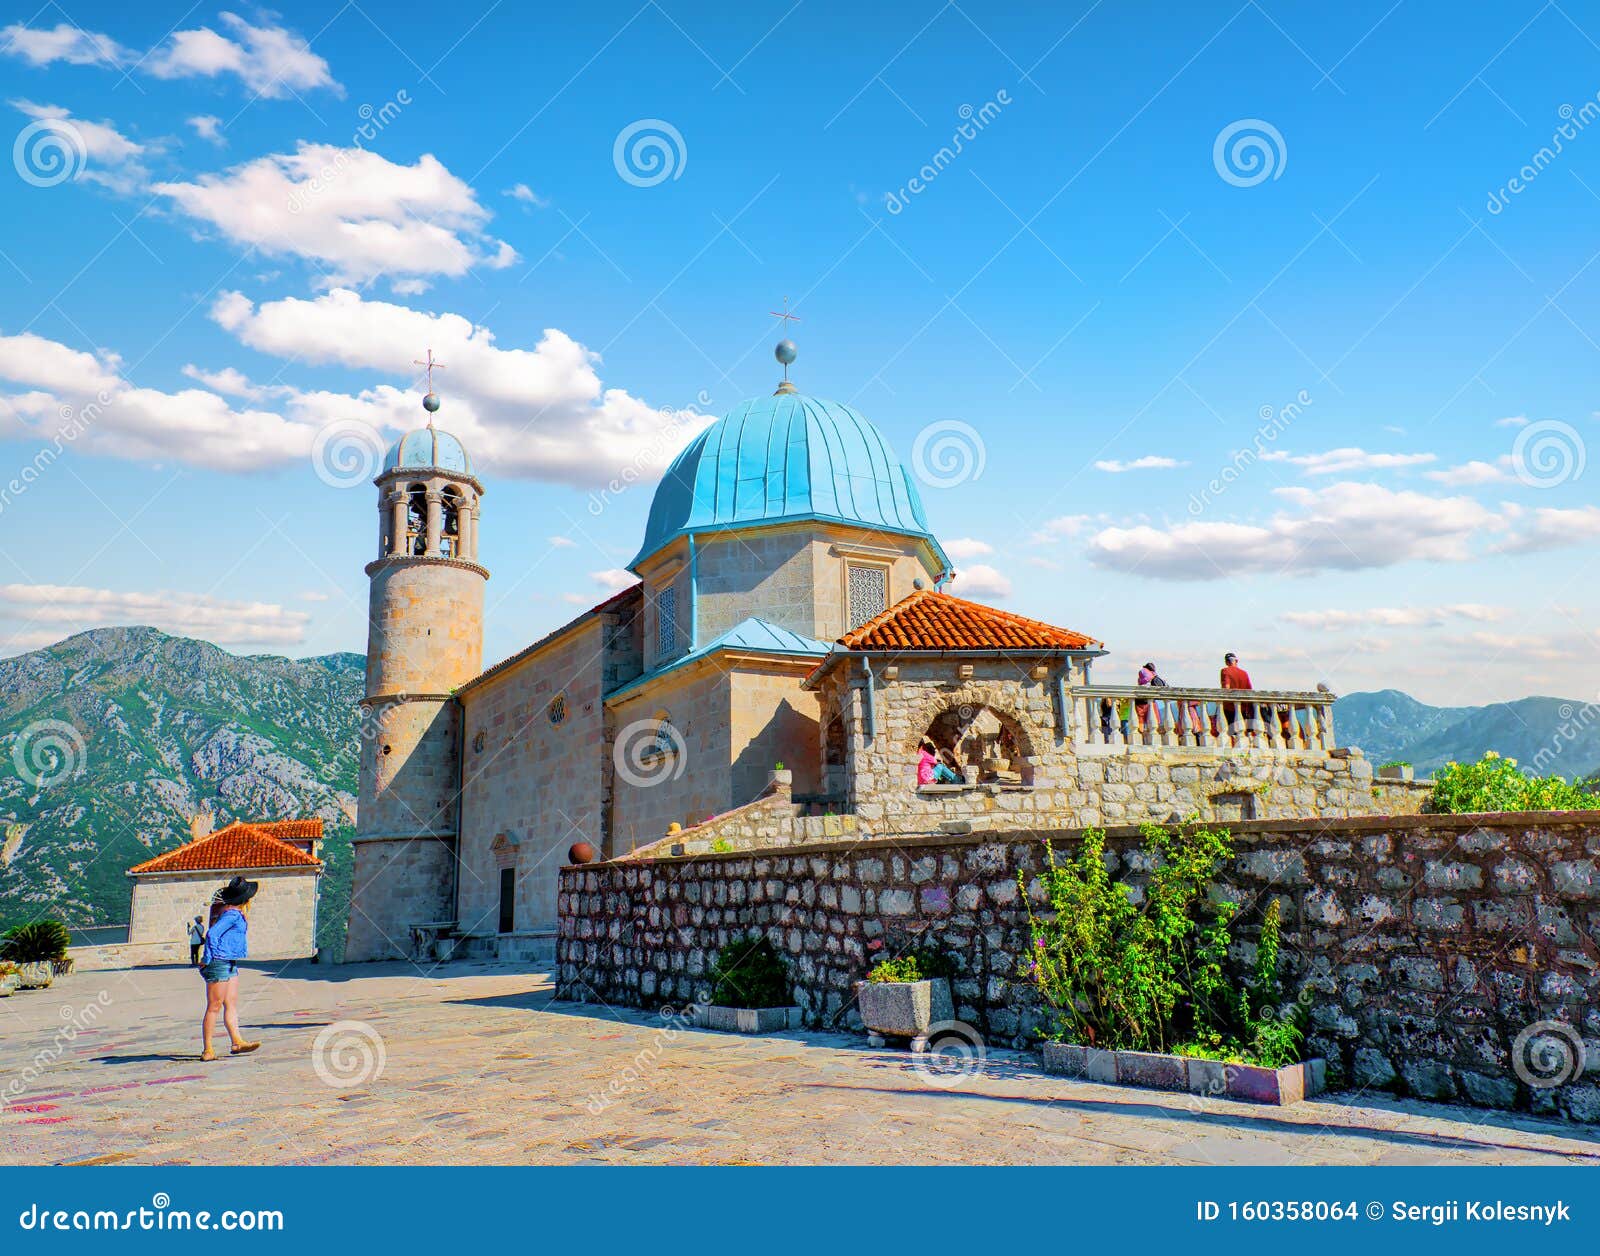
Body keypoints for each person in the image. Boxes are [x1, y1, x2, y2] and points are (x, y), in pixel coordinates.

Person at [199, 876, 261, 1063]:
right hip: (219, 961)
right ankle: (208, 1048)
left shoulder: (237, 914)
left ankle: (237, 1041)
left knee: (231, 1003)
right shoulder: (232, 915)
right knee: (214, 1005)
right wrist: (208, 958)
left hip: (230, 961)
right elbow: (212, 934)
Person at [1218, 652, 1255, 741]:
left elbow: (1226, 688)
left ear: (1226, 662)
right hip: (1243, 706)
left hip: (1230, 706)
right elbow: (1249, 690)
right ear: (1236, 661)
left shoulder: (1225, 671)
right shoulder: (1244, 673)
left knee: (1231, 731)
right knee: (1242, 731)